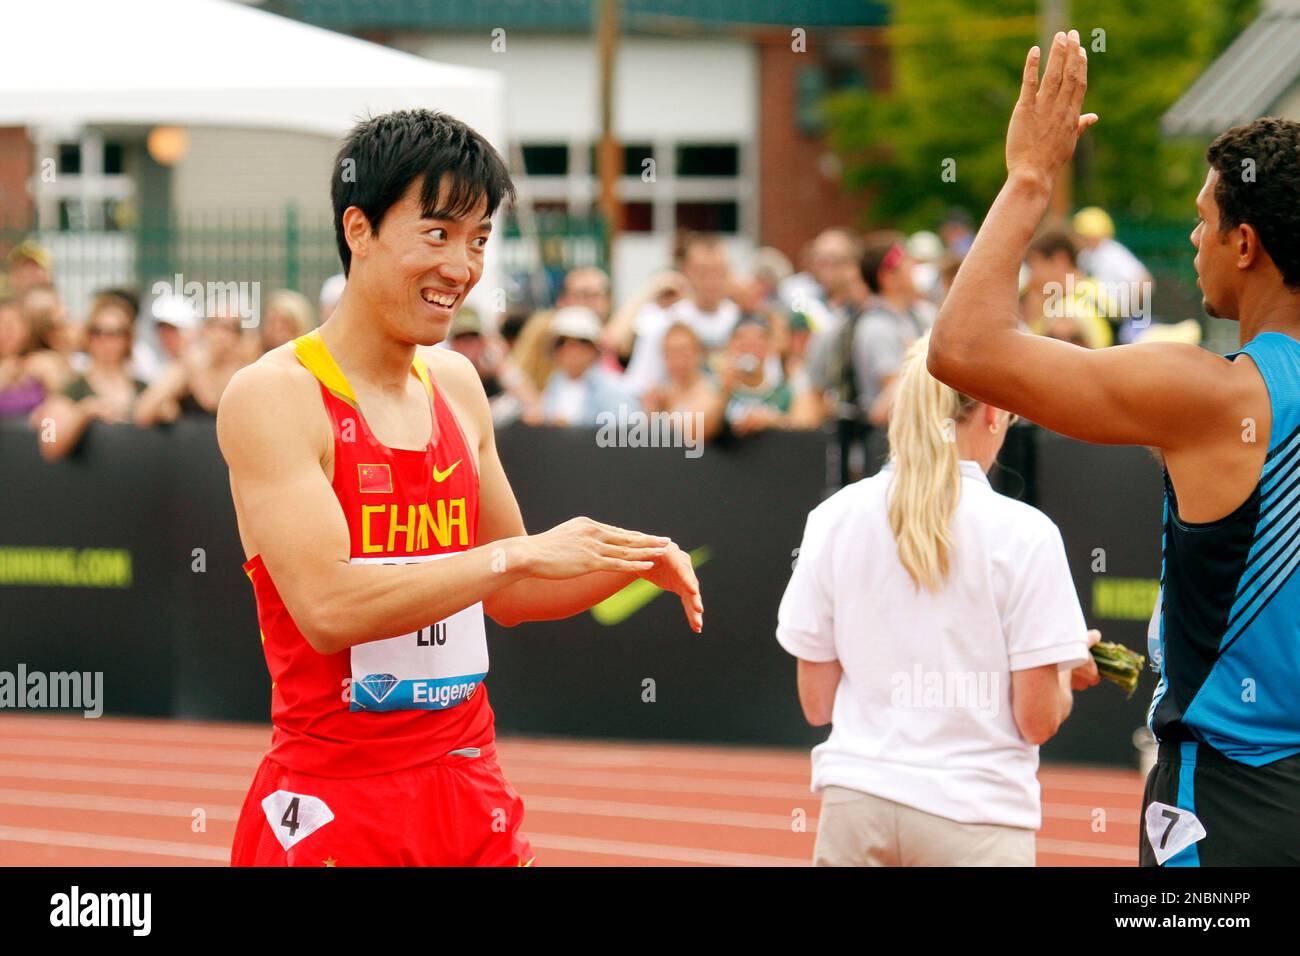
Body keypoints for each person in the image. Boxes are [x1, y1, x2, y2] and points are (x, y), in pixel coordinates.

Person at [217, 109, 701, 867]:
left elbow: (509, 598)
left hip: (469, 786)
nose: (462, 267)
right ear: (359, 229)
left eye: (478, 240)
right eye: (438, 234)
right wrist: (516, 558)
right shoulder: (274, 396)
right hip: (337, 802)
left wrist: (629, 560)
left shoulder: (456, 382)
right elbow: (329, 609)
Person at [928, 30, 1300, 866]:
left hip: (1227, 802)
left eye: (1204, 224)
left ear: (1246, 246)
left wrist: (1029, 179)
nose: (1195, 241)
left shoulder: (1211, 393)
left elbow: (963, 350)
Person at [777, 334, 1099, 866]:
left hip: (857, 807)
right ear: (993, 412)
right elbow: (1037, 721)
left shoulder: (832, 518)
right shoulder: (1026, 533)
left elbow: (816, 704)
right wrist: (1067, 670)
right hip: (977, 817)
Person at [622, 233, 740, 395]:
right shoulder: (664, 321)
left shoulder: (742, 321)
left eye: (718, 271)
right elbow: (640, 383)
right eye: (702, 272)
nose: (711, 280)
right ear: (686, 272)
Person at [35, 297, 146, 460]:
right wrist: (83, 413)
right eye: (97, 332)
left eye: (116, 333)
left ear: (128, 338)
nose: (105, 340)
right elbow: (48, 442)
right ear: (87, 336)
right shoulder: (73, 387)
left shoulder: (143, 387)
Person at [135, 309, 247, 423]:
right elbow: (143, 412)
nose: (224, 336)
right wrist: (166, 410)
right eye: (218, 326)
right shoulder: (186, 368)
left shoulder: (244, 375)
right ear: (205, 330)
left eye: (234, 328)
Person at [539, 305, 636, 426]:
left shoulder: (614, 388)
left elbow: (621, 436)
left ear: (595, 349)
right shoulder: (554, 383)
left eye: (581, 342)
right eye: (562, 342)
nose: (571, 349)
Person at [1023, 229, 1114, 348]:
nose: (1032, 277)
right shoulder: (1094, 290)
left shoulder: (1068, 309)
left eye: (1034, 266)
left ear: (1059, 260)